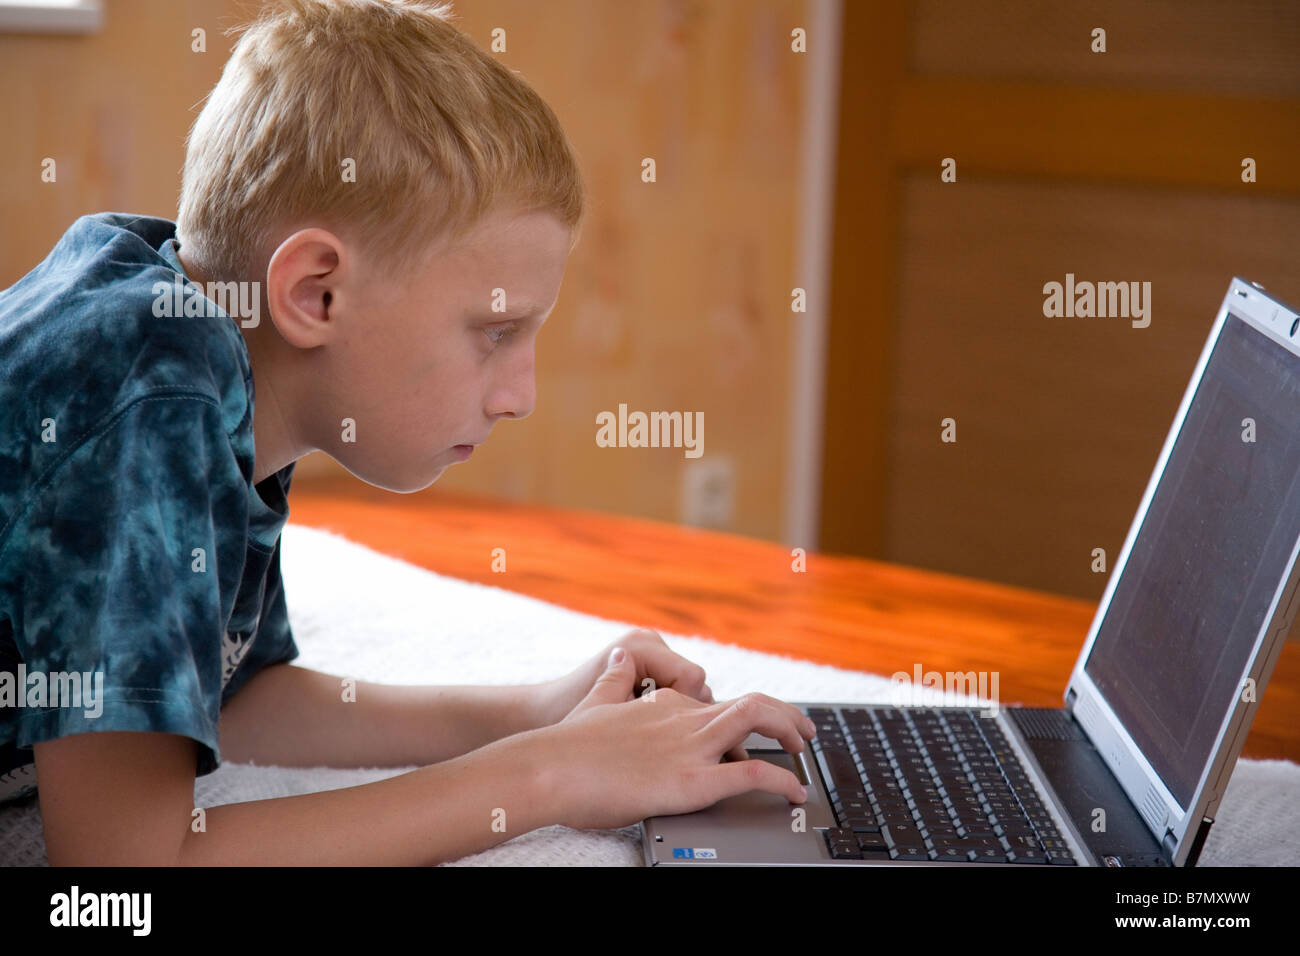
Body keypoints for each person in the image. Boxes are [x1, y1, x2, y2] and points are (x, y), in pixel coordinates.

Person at [0, 0, 812, 865]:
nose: (521, 395)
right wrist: (547, 776)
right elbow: (122, 878)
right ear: (315, 294)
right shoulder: (146, 400)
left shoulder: (208, 344)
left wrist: (537, 711)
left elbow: (237, 695)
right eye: (496, 333)